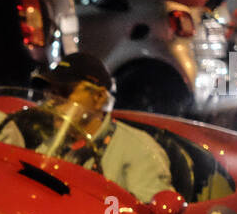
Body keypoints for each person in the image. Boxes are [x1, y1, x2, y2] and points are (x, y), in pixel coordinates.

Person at [29, 54, 175, 204]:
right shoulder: (51, 145)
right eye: (51, 93)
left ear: (98, 98)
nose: (52, 102)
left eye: (64, 92)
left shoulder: (141, 151)